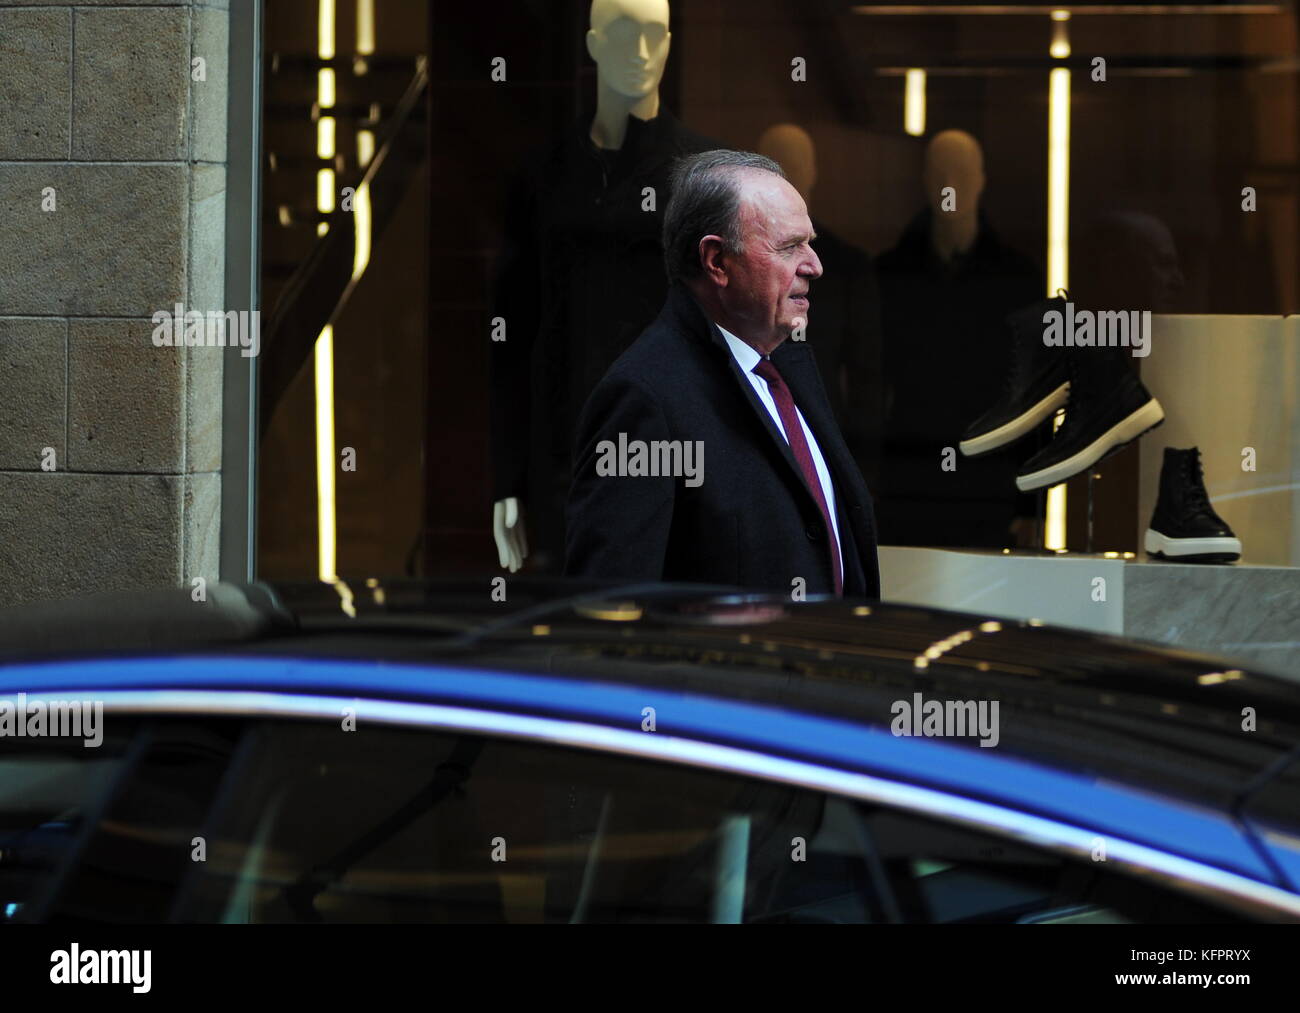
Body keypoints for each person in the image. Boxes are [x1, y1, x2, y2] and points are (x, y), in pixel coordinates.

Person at [564, 149, 881, 598]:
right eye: (790, 246)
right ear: (716, 261)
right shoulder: (645, 399)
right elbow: (612, 606)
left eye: (810, 243)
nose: (815, 265)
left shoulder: (788, 368)